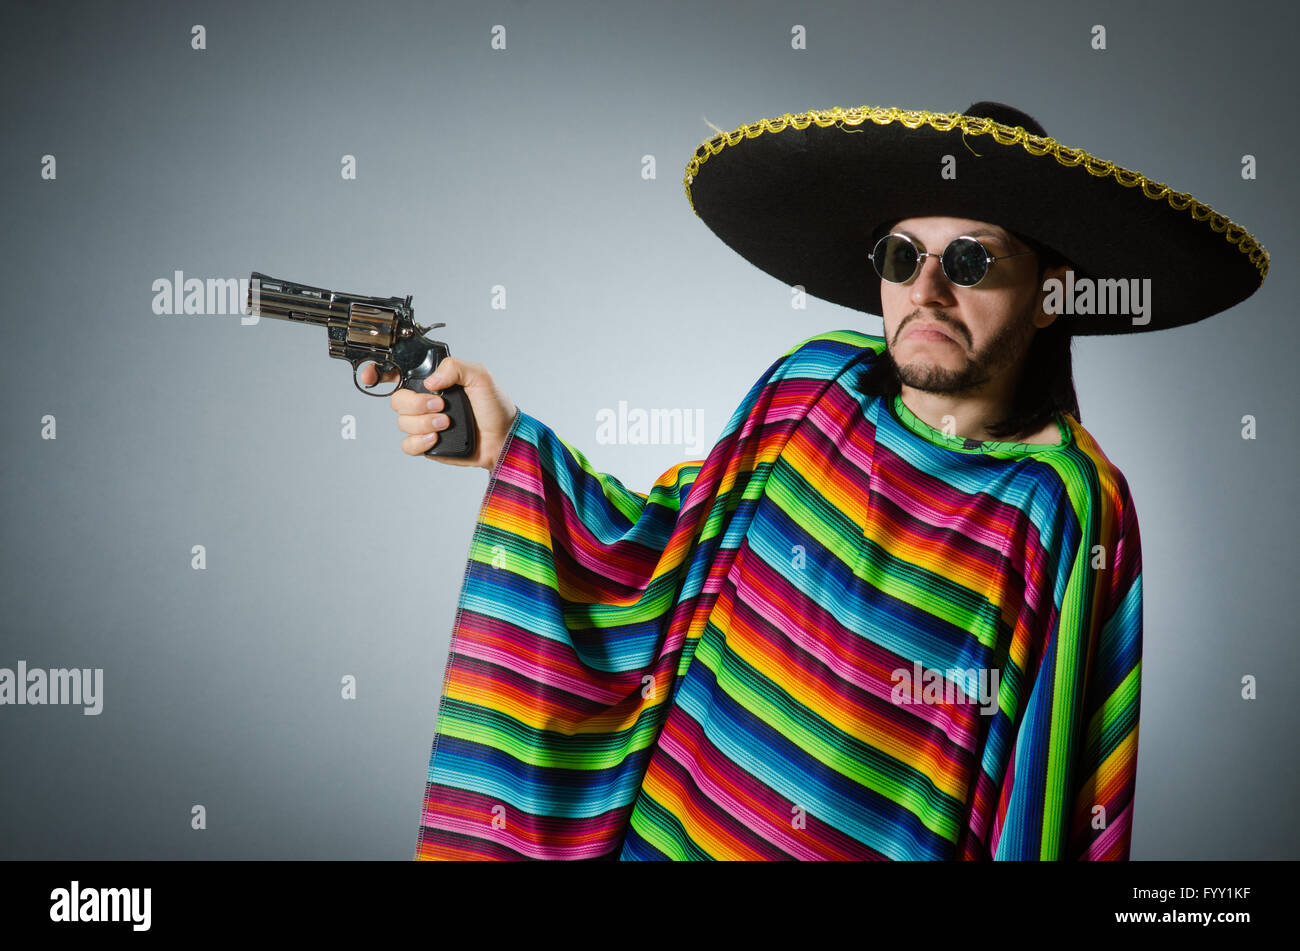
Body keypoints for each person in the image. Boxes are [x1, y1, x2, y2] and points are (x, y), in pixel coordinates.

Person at [364, 101, 1268, 860]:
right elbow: (666, 552)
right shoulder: (810, 389)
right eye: (901, 256)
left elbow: (1048, 793)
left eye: (972, 261)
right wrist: (509, 443)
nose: (928, 290)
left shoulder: (1066, 504)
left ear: (1051, 293)